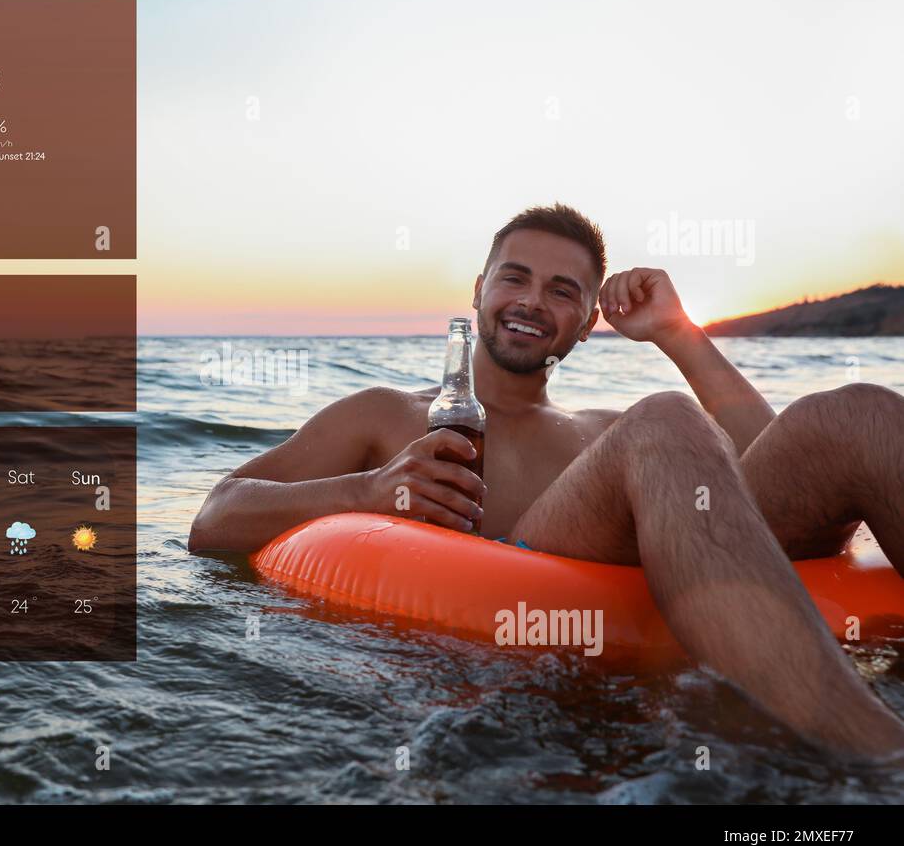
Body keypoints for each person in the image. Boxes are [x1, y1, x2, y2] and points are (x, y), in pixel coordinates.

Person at [189, 203, 904, 760]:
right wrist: (368, 491)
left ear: (587, 323)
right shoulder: (386, 415)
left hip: (647, 558)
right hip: (520, 646)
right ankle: (879, 760)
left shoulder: (603, 429)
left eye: (563, 291)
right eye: (515, 278)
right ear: (479, 292)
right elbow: (215, 517)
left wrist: (678, 333)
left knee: (856, 414)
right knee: (664, 420)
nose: (532, 301)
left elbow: (777, 464)